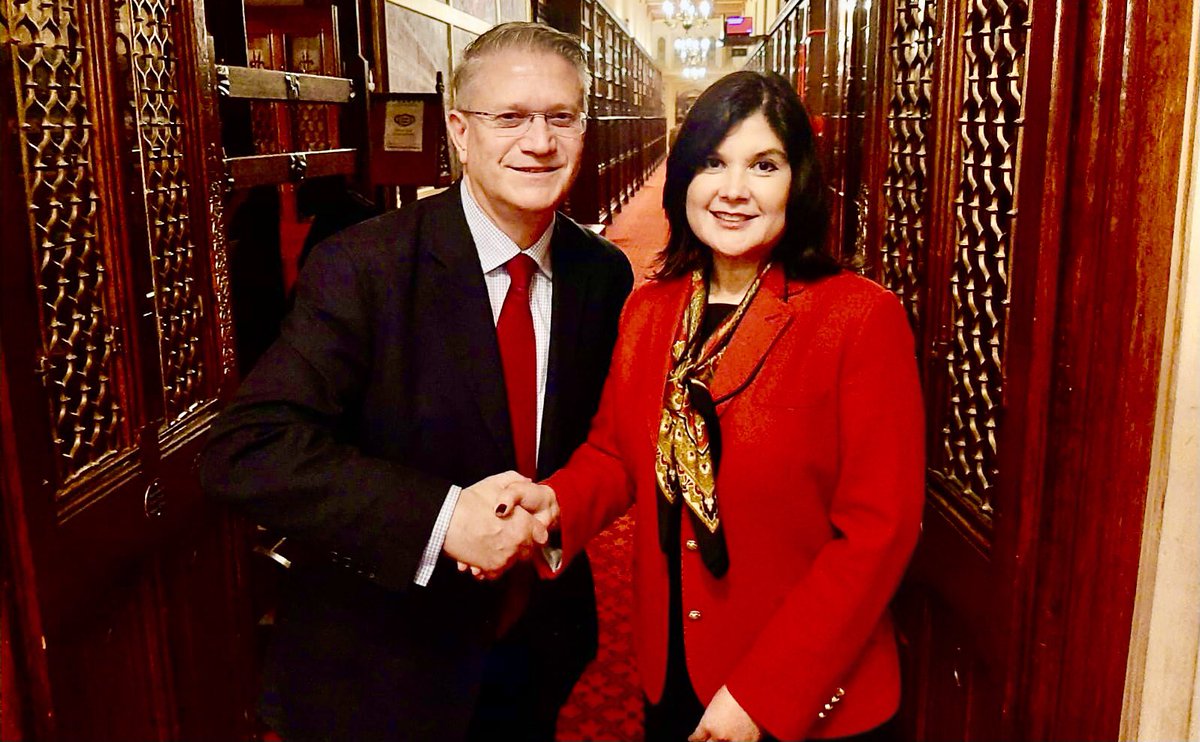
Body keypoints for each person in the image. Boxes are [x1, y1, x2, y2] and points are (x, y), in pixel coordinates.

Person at [199, 22, 634, 742]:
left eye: (561, 117)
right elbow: (249, 448)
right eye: (510, 117)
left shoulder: (603, 272)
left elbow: (601, 437)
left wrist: (556, 511)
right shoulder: (363, 267)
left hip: (535, 643)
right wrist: (443, 519)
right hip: (383, 660)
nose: (539, 142)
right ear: (460, 131)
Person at [493, 71, 924, 741]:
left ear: (799, 181)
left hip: (801, 689)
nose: (734, 189)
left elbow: (878, 533)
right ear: (684, 177)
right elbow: (615, 453)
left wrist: (763, 695)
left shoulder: (858, 318)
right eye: (713, 163)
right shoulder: (651, 308)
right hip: (674, 668)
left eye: (764, 165)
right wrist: (553, 506)